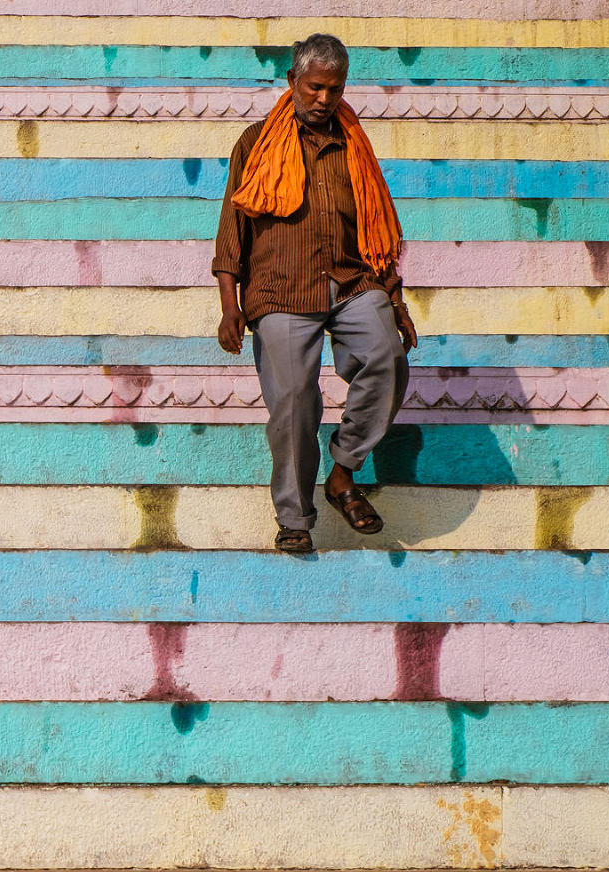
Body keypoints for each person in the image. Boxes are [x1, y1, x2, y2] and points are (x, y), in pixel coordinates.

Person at [213, 34, 417, 553]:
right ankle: (295, 519)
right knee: (295, 402)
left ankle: (343, 472)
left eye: (336, 88)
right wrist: (228, 305)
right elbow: (233, 227)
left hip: (351, 282)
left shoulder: (355, 146)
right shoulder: (256, 143)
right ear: (292, 83)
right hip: (280, 291)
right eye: (315, 87)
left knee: (387, 358)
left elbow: (375, 231)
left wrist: (395, 301)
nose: (325, 99)